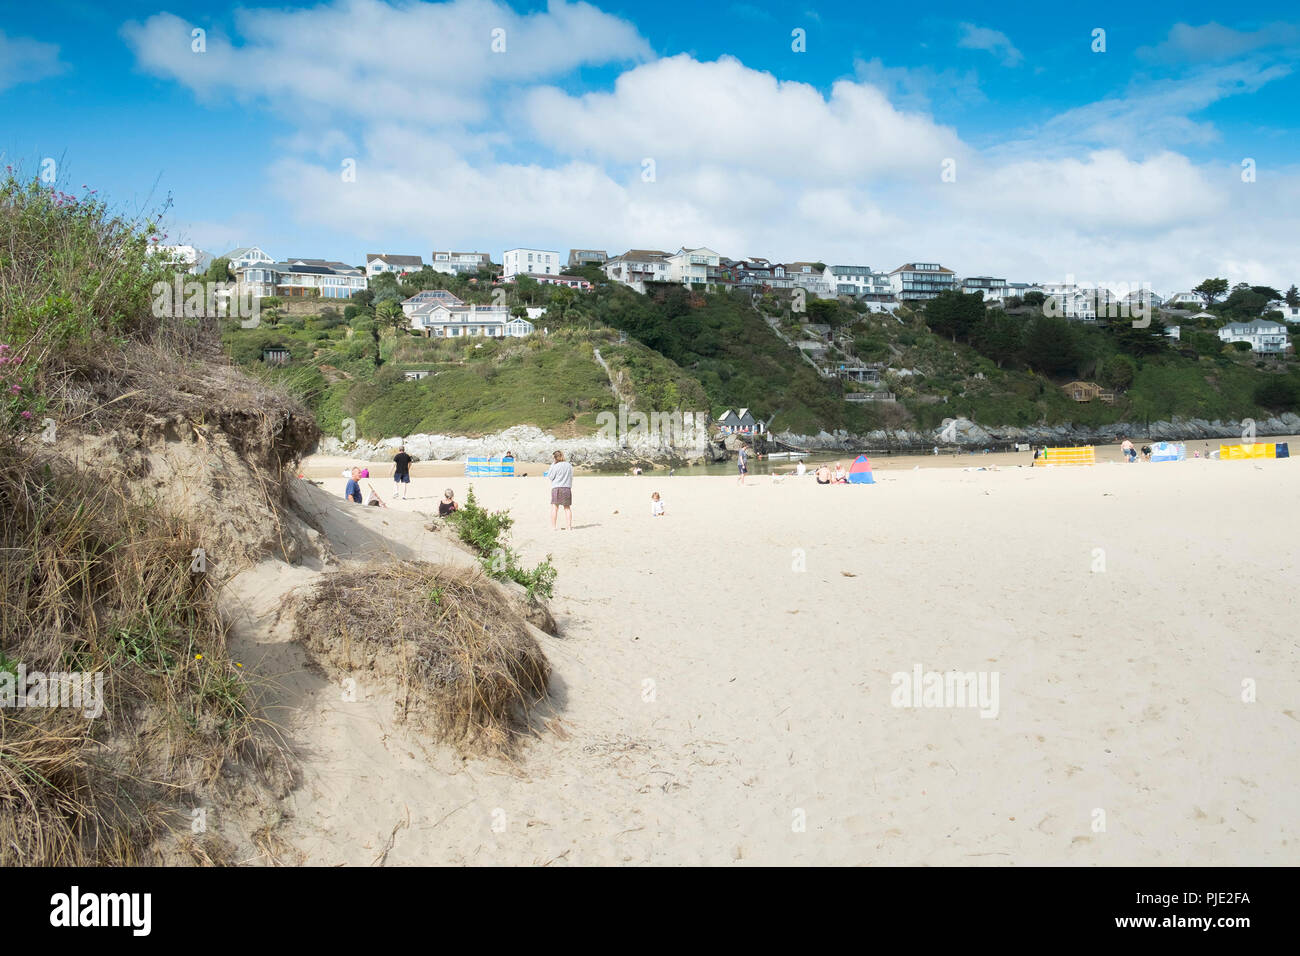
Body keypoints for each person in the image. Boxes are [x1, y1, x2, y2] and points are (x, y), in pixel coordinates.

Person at [546, 450, 574, 530]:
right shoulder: (569, 465)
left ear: (554, 458)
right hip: (567, 487)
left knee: (555, 507)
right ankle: (569, 526)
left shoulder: (555, 466)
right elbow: (571, 476)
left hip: (557, 487)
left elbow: (550, 477)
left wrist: (552, 465)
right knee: (567, 508)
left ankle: (554, 527)